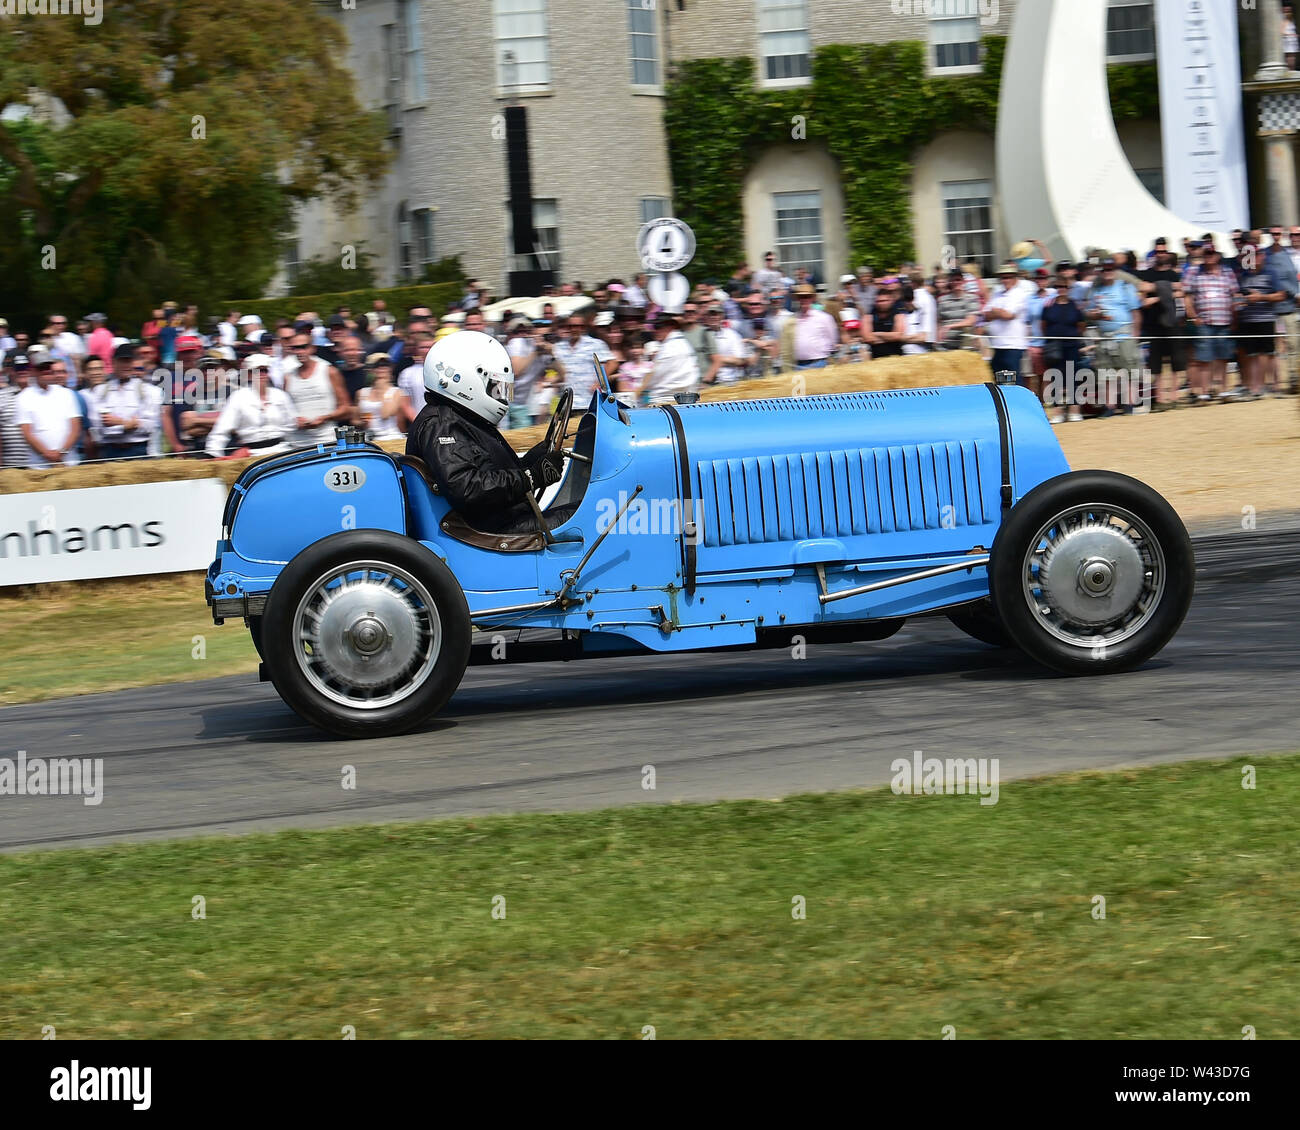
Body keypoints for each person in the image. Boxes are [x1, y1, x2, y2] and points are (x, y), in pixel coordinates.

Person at [406, 331, 571, 535]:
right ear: (463, 379)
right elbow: (467, 488)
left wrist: (531, 461)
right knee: (602, 517)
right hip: (493, 531)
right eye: (495, 387)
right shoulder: (441, 424)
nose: (501, 396)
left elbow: (487, 473)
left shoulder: (462, 418)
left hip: (499, 523)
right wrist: (531, 477)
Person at [205, 355, 297, 458]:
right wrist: (213, 453)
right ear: (249, 374)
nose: (262, 374)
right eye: (257, 371)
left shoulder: (280, 395)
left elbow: (292, 425)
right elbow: (222, 428)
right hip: (252, 453)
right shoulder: (238, 397)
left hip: (282, 450)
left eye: (265, 370)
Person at [1184, 244, 1240, 403]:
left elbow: (1235, 295)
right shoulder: (1194, 272)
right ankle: (1204, 394)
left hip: (1225, 321)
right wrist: (1193, 317)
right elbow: (1187, 296)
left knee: (1223, 358)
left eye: (1211, 253)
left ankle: (1223, 392)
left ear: (1217, 255)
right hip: (1204, 322)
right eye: (1206, 254)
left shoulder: (1227, 272)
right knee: (1204, 358)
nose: (1209, 256)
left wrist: (1234, 316)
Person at [284, 332, 353, 444]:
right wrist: (294, 420)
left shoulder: (329, 371)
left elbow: (346, 408)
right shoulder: (288, 377)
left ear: (312, 348)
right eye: (295, 348)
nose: (300, 351)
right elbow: (285, 410)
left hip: (325, 438)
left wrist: (326, 418)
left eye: (303, 347)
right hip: (297, 441)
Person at [16, 357, 82, 467]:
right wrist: (48, 455)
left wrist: (62, 453)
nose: (45, 370)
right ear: (33, 371)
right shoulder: (23, 397)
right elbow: (27, 433)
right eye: (41, 368)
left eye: (48, 367)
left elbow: (75, 427)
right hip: (39, 467)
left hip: (69, 463)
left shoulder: (67, 394)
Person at [982, 264, 1031, 382]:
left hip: (1013, 345)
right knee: (998, 378)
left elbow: (1008, 315)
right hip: (998, 344)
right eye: (1003, 277)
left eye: (1009, 277)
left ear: (1015, 279)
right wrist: (999, 312)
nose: (1006, 280)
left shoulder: (1019, 294)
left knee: (1014, 378)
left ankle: (1019, 400)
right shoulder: (997, 293)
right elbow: (986, 315)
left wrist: (995, 311)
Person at [641, 314, 700, 402]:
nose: (655, 330)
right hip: (684, 398)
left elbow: (653, 377)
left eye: (658, 327)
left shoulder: (669, 348)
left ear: (670, 327)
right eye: (654, 327)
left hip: (666, 399)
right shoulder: (683, 343)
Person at [357, 357, 404, 439]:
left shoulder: (396, 392)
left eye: (385, 365)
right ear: (371, 370)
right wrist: (362, 422)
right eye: (377, 366)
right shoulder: (362, 392)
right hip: (368, 438)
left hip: (389, 438)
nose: (381, 369)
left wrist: (382, 389)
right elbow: (355, 420)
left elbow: (385, 414)